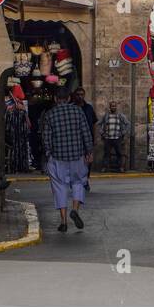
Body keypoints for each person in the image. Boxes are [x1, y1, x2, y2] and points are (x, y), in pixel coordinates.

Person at [41, 88, 93, 232]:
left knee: (59, 187)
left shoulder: (50, 115)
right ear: (69, 98)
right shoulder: (78, 111)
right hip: (77, 156)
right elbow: (86, 132)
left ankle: (63, 222)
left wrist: (48, 153)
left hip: (58, 157)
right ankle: (75, 210)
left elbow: (46, 139)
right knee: (78, 183)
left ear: (56, 99)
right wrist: (89, 151)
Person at [3, 81, 33, 174]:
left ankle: (16, 166)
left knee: (16, 148)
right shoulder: (14, 103)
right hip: (17, 129)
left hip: (17, 129)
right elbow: (27, 121)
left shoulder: (13, 103)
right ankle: (19, 166)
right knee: (18, 148)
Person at [72, 86, 98, 191]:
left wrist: (95, 138)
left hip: (88, 138)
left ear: (84, 95)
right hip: (76, 139)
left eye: (81, 94)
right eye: (78, 95)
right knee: (77, 161)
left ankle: (85, 180)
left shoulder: (89, 108)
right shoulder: (72, 108)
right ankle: (77, 181)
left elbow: (94, 123)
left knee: (88, 161)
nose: (80, 97)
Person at [99, 101, 129, 172]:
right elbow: (99, 124)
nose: (113, 107)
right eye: (112, 106)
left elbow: (128, 124)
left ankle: (121, 167)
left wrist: (122, 133)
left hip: (117, 138)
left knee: (119, 153)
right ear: (110, 107)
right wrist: (102, 133)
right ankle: (105, 167)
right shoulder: (106, 116)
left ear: (116, 107)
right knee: (106, 153)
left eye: (114, 106)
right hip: (107, 138)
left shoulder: (120, 115)